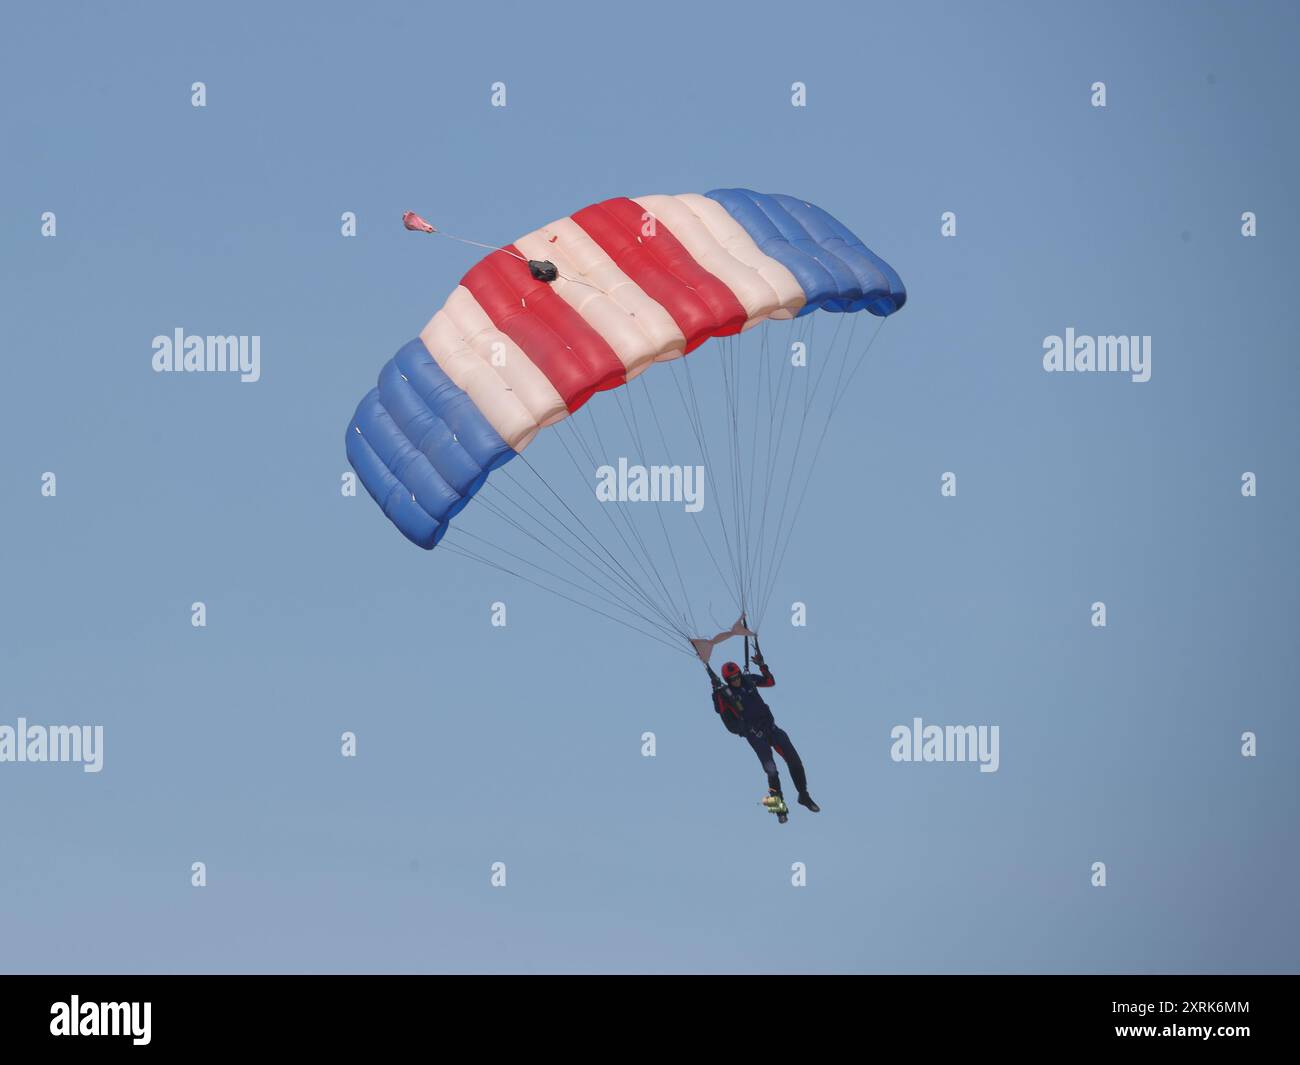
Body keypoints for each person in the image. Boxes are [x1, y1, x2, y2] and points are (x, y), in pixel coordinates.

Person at [707, 642, 819, 822]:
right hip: (755, 735)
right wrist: (715, 690)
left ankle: (803, 795)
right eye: (732, 679)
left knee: (794, 760)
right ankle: (778, 809)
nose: (736, 680)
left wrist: (762, 665)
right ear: (727, 680)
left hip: (772, 729)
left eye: (737, 676)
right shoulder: (724, 694)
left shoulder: (748, 680)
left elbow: (770, 681)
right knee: (771, 771)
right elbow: (722, 714)